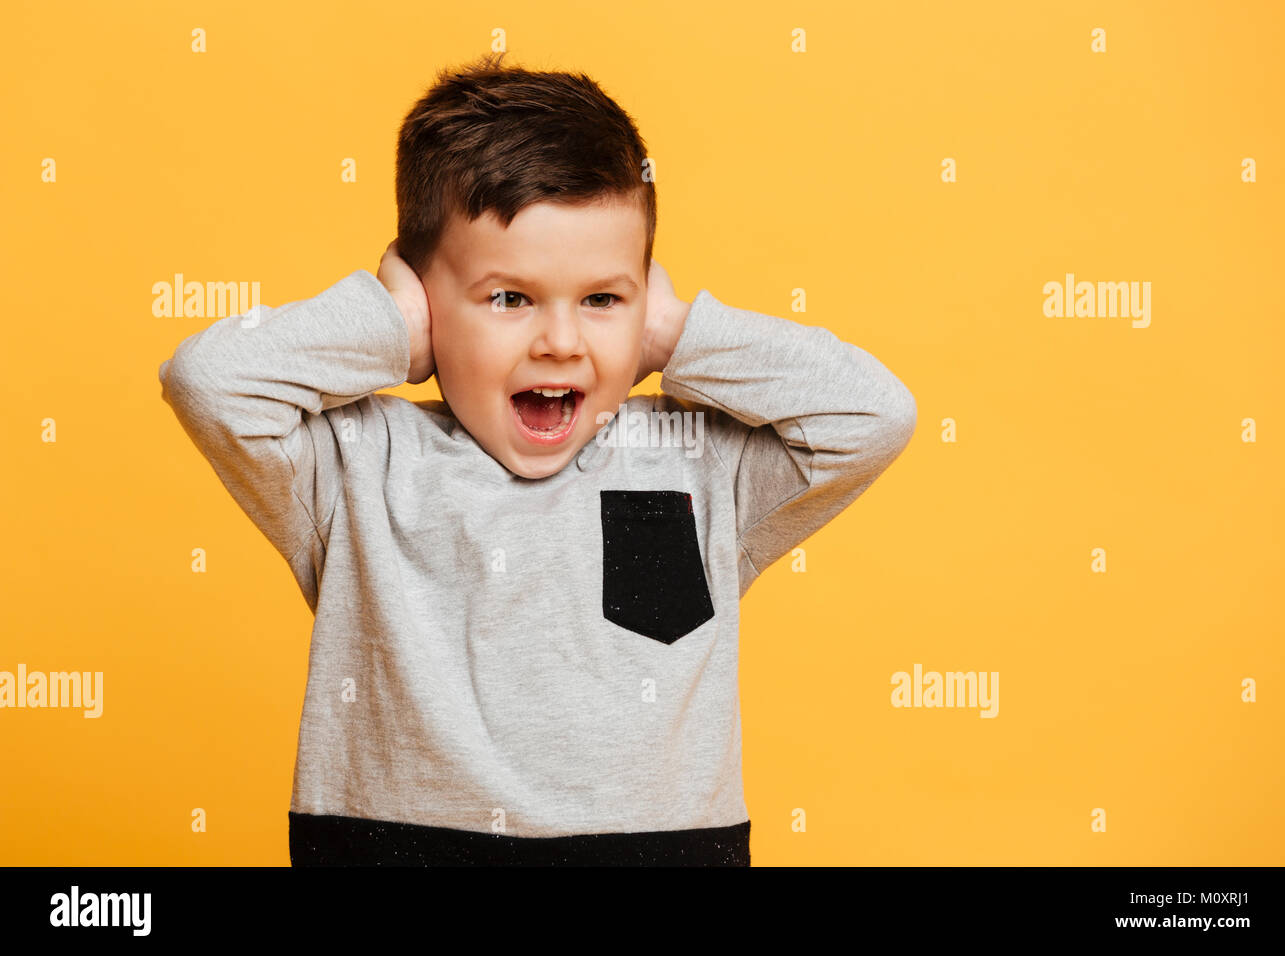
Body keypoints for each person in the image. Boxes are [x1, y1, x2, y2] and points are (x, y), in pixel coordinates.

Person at [158, 51, 917, 866]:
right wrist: (390, 324)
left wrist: (676, 331)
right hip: (394, 847)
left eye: (602, 299)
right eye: (508, 298)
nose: (560, 342)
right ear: (424, 300)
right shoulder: (356, 463)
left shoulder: (698, 462)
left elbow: (873, 415)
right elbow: (208, 382)